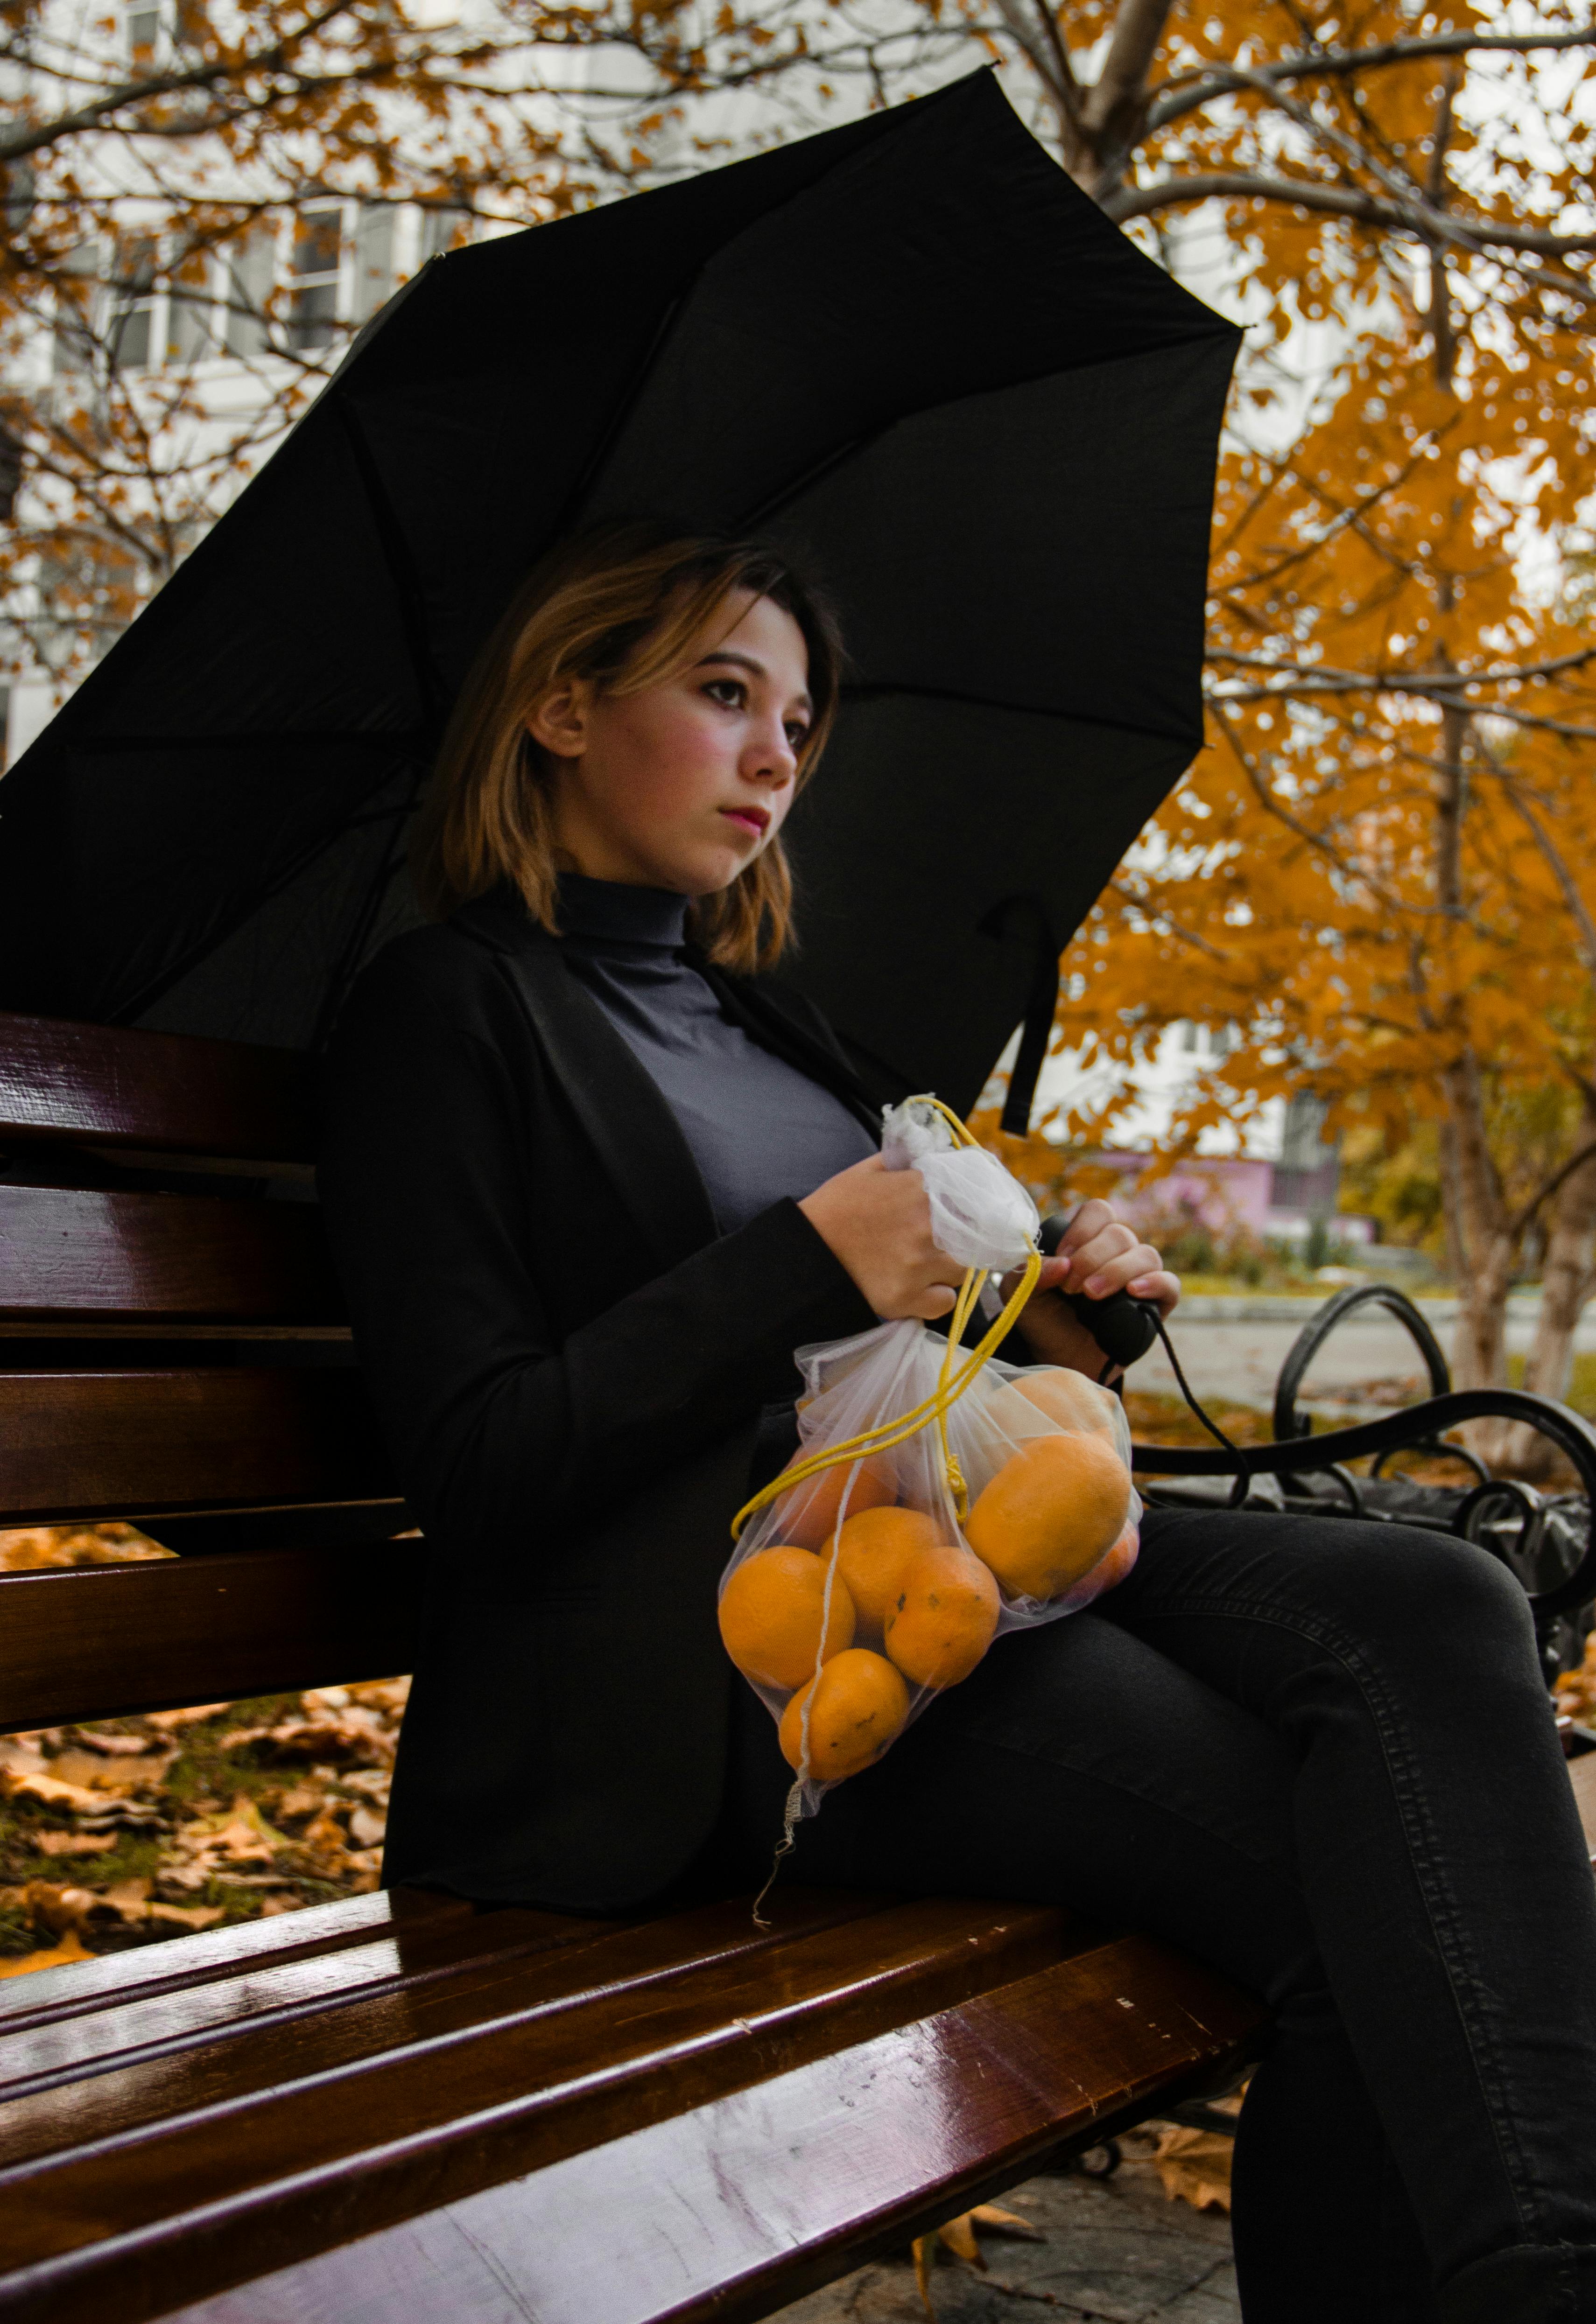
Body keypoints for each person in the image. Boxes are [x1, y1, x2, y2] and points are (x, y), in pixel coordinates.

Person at [319, 521, 1596, 2324]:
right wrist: (800, 1261)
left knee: (1436, 1607)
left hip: (940, 1558)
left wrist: (1065, 1303)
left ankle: (1549, 2265)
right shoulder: (447, 1015)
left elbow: (922, 1343)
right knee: (1334, 1884)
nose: (777, 752)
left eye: (799, 718)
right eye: (722, 691)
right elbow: (478, 1461)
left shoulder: (774, 1020)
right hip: (718, 1671)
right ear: (556, 706)